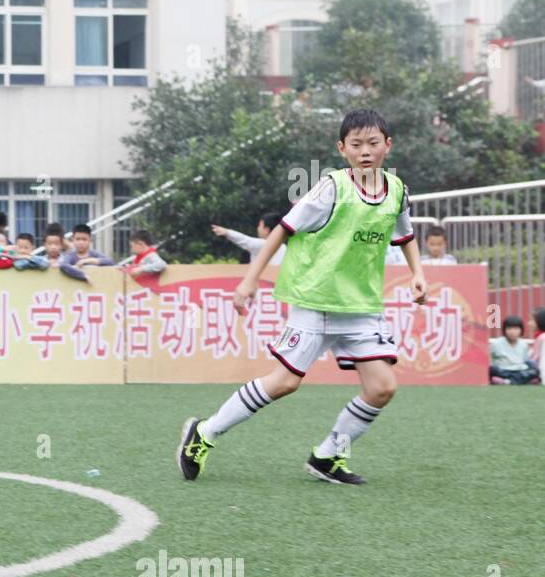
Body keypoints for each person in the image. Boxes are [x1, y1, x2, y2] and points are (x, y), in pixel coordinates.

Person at [178, 109, 426, 486]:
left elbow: (404, 235)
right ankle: (205, 433)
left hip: (360, 306)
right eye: (356, 144)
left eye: (373, 143)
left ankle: (327, 455)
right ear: (342, 149)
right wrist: (249, 281)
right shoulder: (330, 188)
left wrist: (418, 274)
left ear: (388, 146)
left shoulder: (397, 191)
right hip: (316, 301)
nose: (365, 151)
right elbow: (283, 230)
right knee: (284, 383)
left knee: (382, 387)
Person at [211, 213, 285, 265]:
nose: (258, 228)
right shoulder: (284, 247)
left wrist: (227, 232)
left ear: (267, 230)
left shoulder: (264, 245)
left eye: (260, 226)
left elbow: (246, 241)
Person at [489, 315, 540, 385]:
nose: (512, 332)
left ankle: (507, 381)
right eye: (509, 328)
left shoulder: (523, 344)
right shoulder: (496, 343)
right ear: (504, 330)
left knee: (534, 371)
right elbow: (489, 360)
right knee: (492, 370)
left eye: (516, 329)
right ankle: (520, 381)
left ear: (521, 330)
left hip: (519, 370)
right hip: (503, 370)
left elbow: (525, 361)